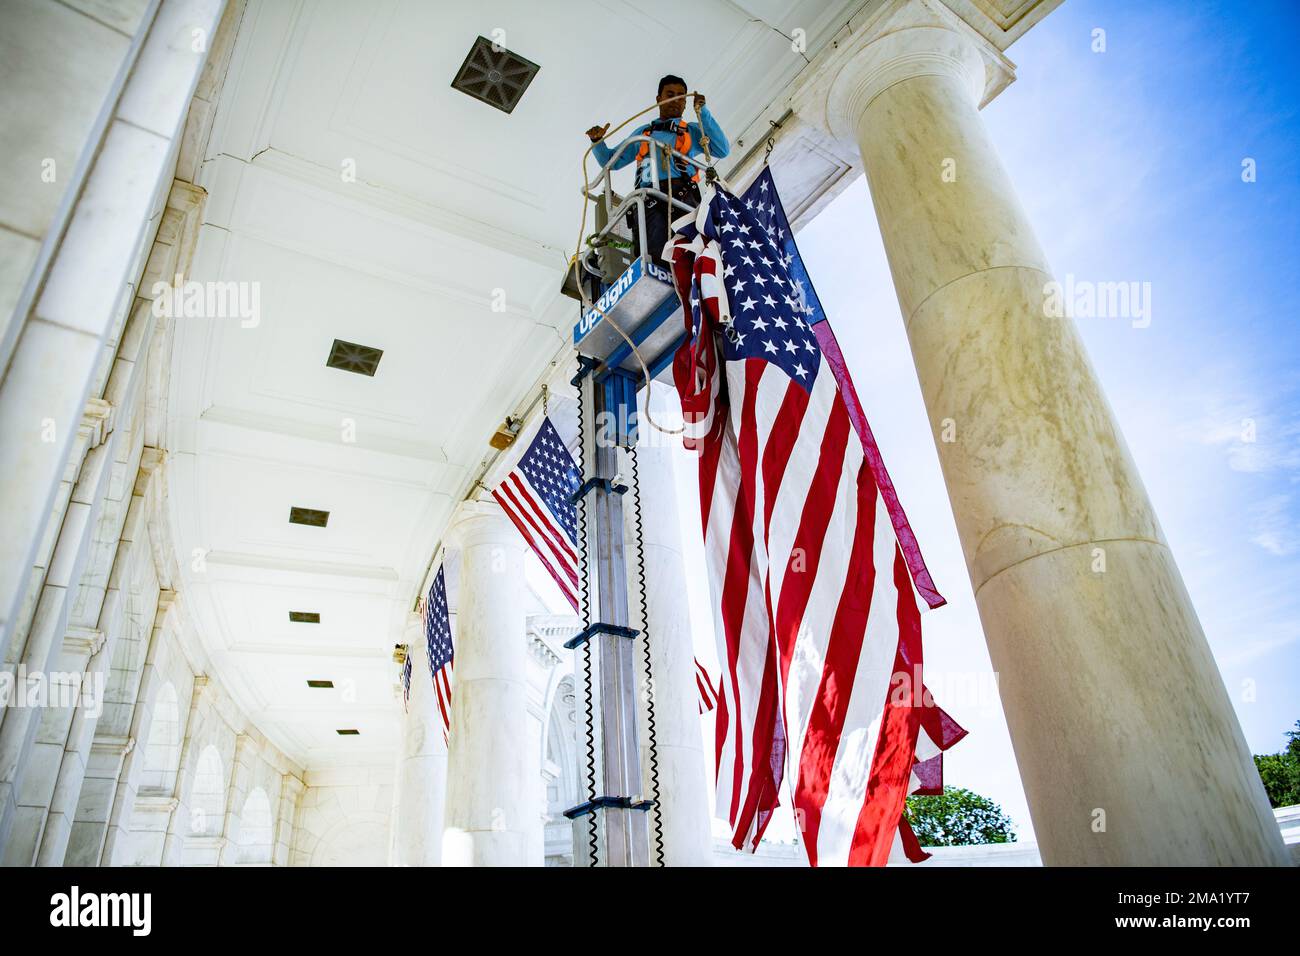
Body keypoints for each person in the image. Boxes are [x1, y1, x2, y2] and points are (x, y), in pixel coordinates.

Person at [586, 75, 730, 271]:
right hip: (648, 200)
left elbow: (722, 149)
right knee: (655, 253)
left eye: (681, 97)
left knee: (689, 250)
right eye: (670, 95)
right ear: (659, 99)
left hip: (682, 195)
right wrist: (597, 142)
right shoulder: (644, 133)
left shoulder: (691, 131)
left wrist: (703, 112)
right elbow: (610, 161)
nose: (676, 100)